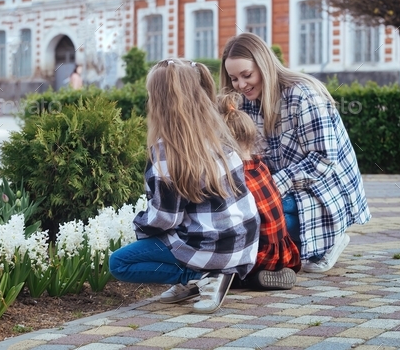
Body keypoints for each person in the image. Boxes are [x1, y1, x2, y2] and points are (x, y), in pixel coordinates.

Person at [109, 59, 260, 314]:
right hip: (244, 243)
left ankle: (201, 277)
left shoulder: (167, 153)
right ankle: (203, 278)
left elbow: (164, 220)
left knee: (119, 263)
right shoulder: (219, 135)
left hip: (212, 248)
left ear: (159, 101)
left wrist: (138, 227)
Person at [220, 32, 371, 273]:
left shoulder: (303, 95)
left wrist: (269, 186)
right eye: (234, 78)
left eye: (247, 75)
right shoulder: (244, 101)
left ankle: (329, 240)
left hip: (323, 188)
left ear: (264, 65)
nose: (240, 84)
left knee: (260, 228)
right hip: (279, 187)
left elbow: (323, 160)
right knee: (245, 222)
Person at [217, 92, 301, 290]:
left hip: (258, 255)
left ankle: (249, 279)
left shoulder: (234, 178)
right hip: (283, 252)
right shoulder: (260, 166)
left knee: (216, 270)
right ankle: (274, 271)